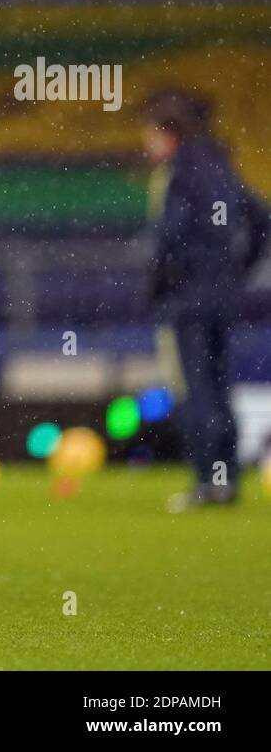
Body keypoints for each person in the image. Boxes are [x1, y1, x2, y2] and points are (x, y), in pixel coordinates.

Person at [141, 90, 270, 510]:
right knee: (218, 384)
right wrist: (240, 271)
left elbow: (169, 237)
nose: (148, 144)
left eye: (152, 134)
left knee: (195, 387)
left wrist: (157, 285)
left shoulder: (180, 173)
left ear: (169, 134)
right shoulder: (220, 166)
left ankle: (205, 481)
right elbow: (260, 218)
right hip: (221, 296)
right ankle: (226, 479)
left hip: (189, 298)